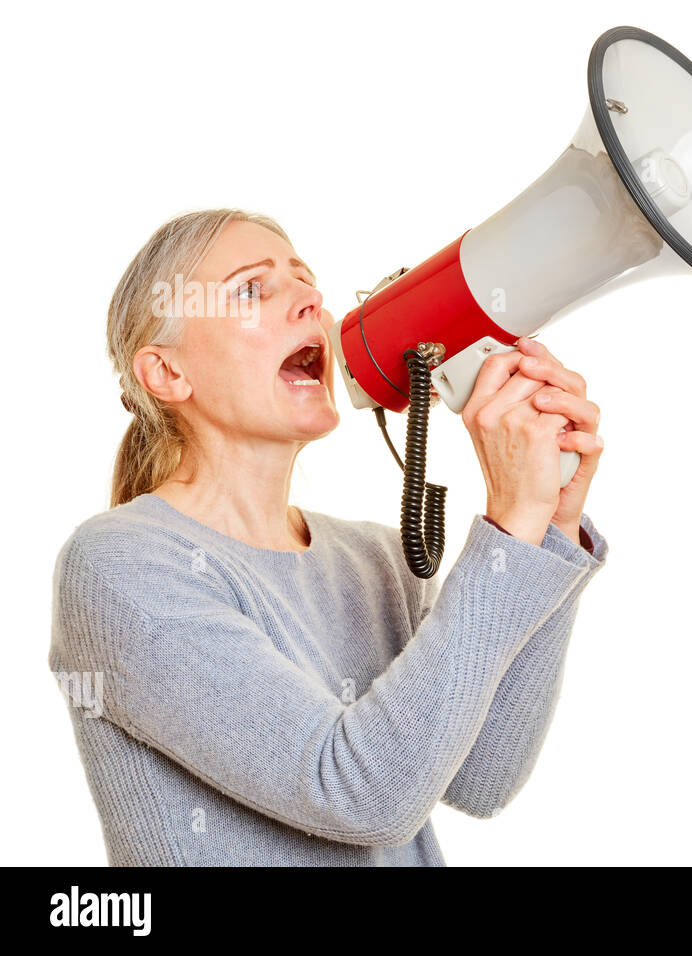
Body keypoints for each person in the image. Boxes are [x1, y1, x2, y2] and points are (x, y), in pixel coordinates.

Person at [48, 208, 608, 865]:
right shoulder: (122, 564)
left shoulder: (373, 559)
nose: (312, 301)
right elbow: (356, 794)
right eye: (253, 289)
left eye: (306, 282)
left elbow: (481, 778)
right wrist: (508, 530)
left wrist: (549, 525)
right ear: (168, 374)